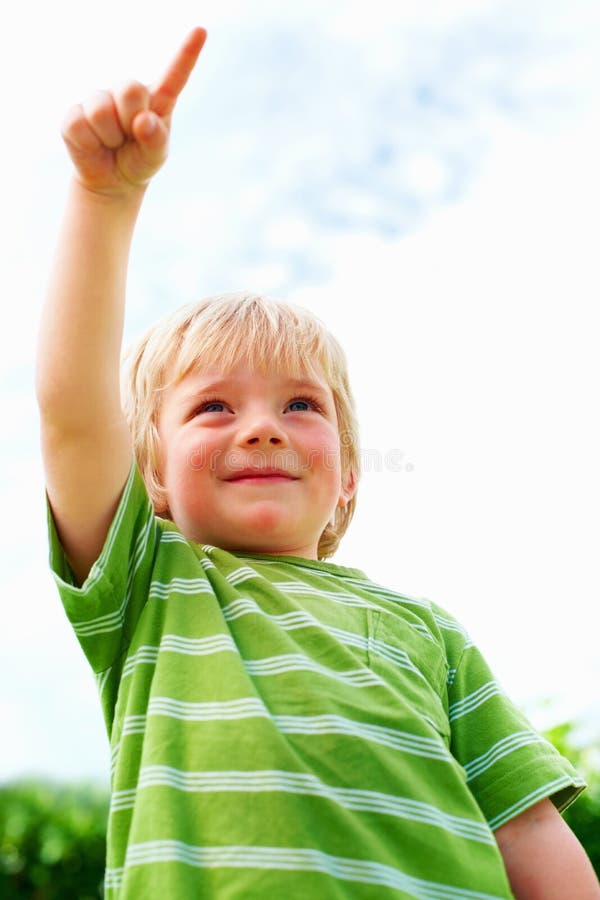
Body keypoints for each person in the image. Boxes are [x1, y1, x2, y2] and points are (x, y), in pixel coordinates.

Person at [36, 26, 599, 900]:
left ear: (348, 475)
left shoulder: (429, 632)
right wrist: (104, 200)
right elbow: (72, 414)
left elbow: (528, 832)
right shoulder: (149, 589)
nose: (263, 430)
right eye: (214, 407)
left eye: (301, 405)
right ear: (151, 475)